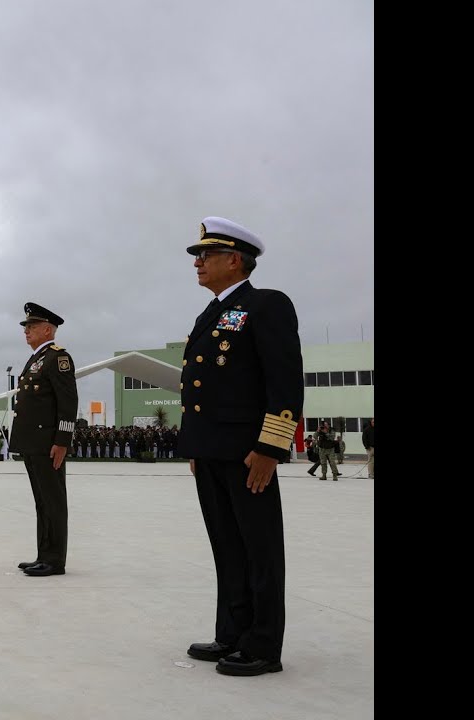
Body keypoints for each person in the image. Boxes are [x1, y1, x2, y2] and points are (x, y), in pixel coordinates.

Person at [178, 216, 302, 677]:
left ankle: (263, 644)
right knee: (227, 546)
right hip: (211, 450)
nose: (198, 263)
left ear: (235, 260)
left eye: (205, 255)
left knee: (260, 548)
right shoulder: (210, 313)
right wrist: (196, 445)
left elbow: (284, 382)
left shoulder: (266, 305)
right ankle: (232, 631)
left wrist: (271, 447)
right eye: (197, 256)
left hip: (249, 453)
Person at [9, 302, 78, 578]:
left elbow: (68, 402)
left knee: (53, 500)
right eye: (26, 327)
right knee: (42, 501)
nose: (27, 331)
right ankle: (43, 554)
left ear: (48, 329)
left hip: (48, 443)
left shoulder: (58, 358)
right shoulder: (37, 358)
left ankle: (55, 560)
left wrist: (62, 441)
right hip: (33, 442)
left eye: (32, 327)